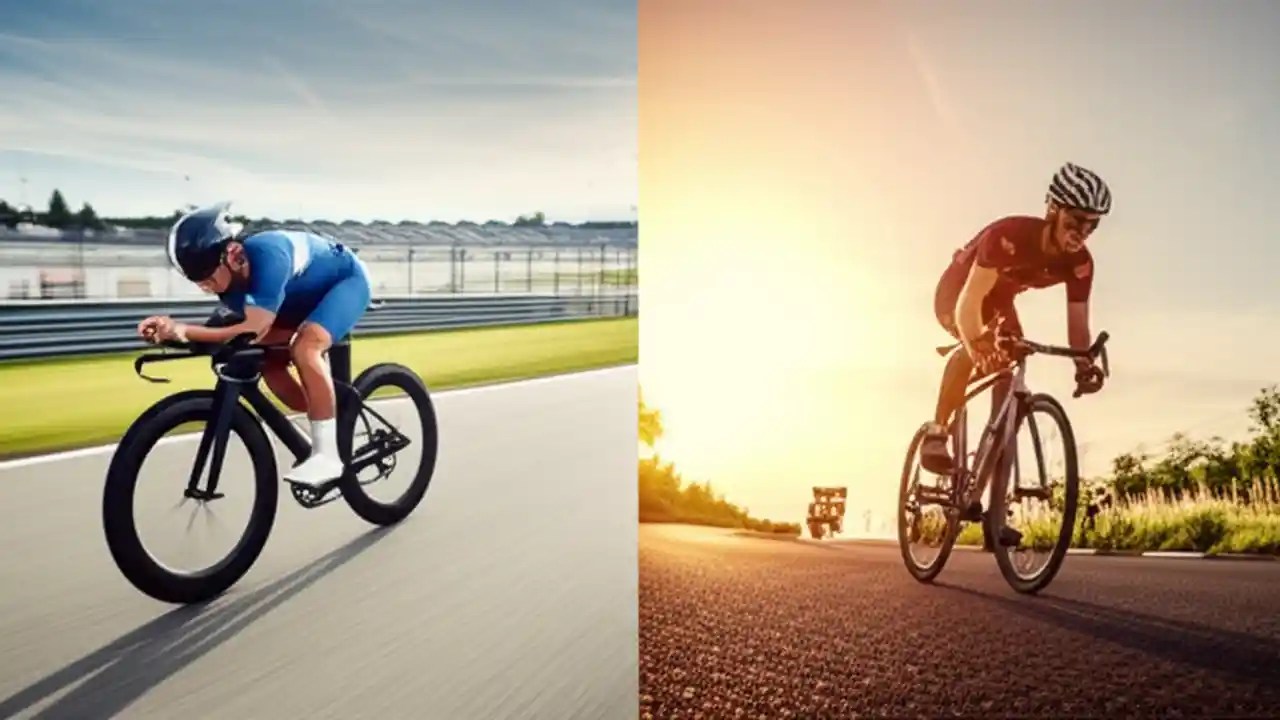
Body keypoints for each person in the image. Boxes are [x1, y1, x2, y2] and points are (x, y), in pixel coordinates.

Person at [136, 202, 373, 488]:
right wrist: (168, 332)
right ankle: (329, 406)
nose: (205, 287)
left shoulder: (269, 254)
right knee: (269, 361)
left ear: (233, 255)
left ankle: (328, 457)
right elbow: (228, 330)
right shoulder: (228, 285)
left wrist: (182, 330)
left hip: (344, 282)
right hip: (296, 298)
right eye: (197, 281)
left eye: (209, 277)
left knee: (304, 347)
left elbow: (251, 327)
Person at [919, 162, 1112, 495]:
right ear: (1053, 210)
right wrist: (978, 343)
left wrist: (1083, 364)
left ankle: (992, 500)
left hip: (1001, 300)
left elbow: (1078, 324)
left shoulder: (1080, 264)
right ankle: (937, 432)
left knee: (1009, 377)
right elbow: (970, 301)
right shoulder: (1008, 237)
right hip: (960, 293)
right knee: (974, 349)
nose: (1082, 232)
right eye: (1074, 221)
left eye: (1092, 224)